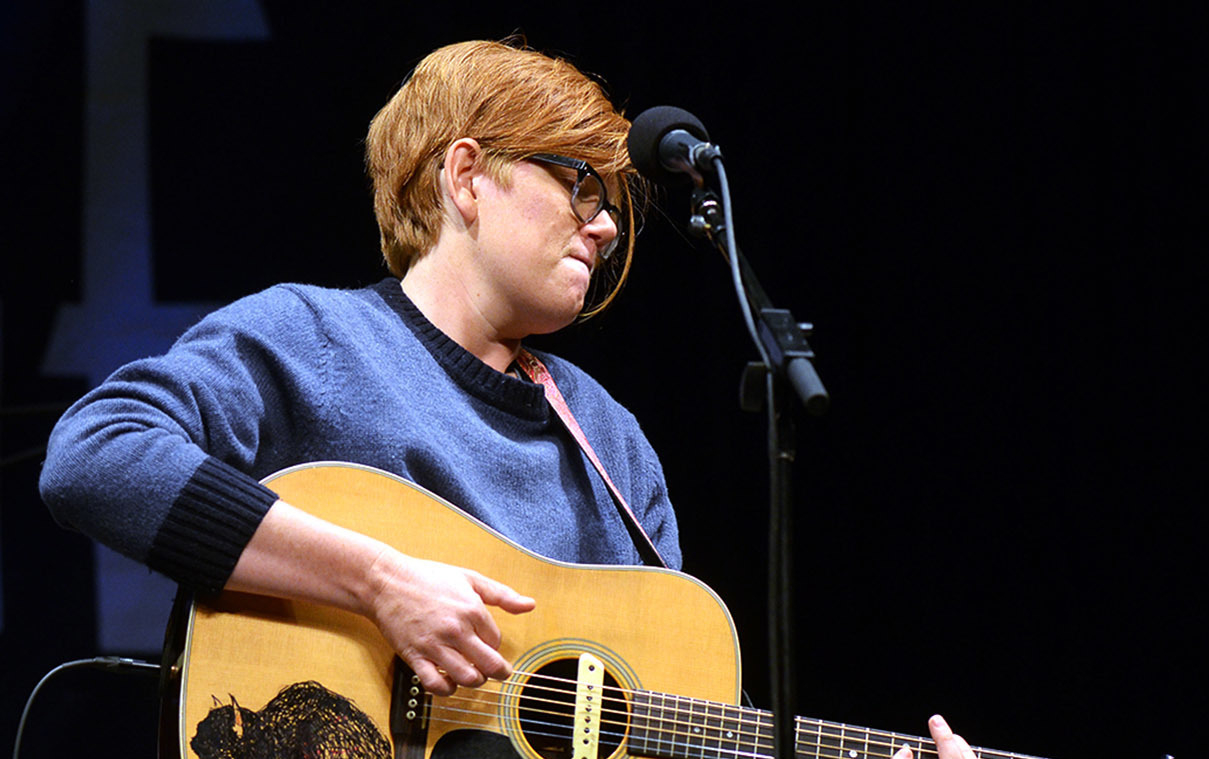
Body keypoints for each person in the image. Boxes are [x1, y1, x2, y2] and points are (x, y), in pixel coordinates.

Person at [40, 39, 975, 759]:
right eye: (580, 185)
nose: (605, 228)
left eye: (613, 208)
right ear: (465, 177)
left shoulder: (612, 442)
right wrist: (381, 581)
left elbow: (663, 723)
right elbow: (95, 455)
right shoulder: (310, 339)